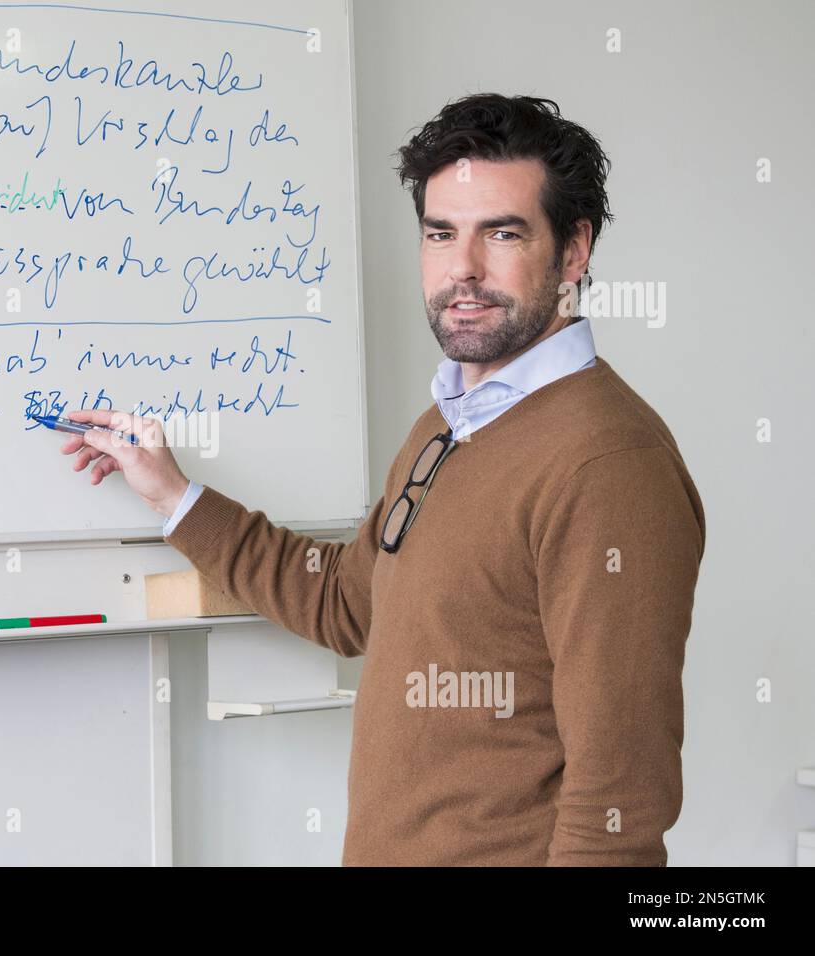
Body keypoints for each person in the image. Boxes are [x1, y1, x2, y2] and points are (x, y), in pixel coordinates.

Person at [51, 94, 706, 866]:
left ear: (573, 252)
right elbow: (346, 604)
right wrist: (173, 495)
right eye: (440, 233)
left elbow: (619, 800)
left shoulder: (607, 465)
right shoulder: (448, 424)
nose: (462, 269)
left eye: (502, 233)